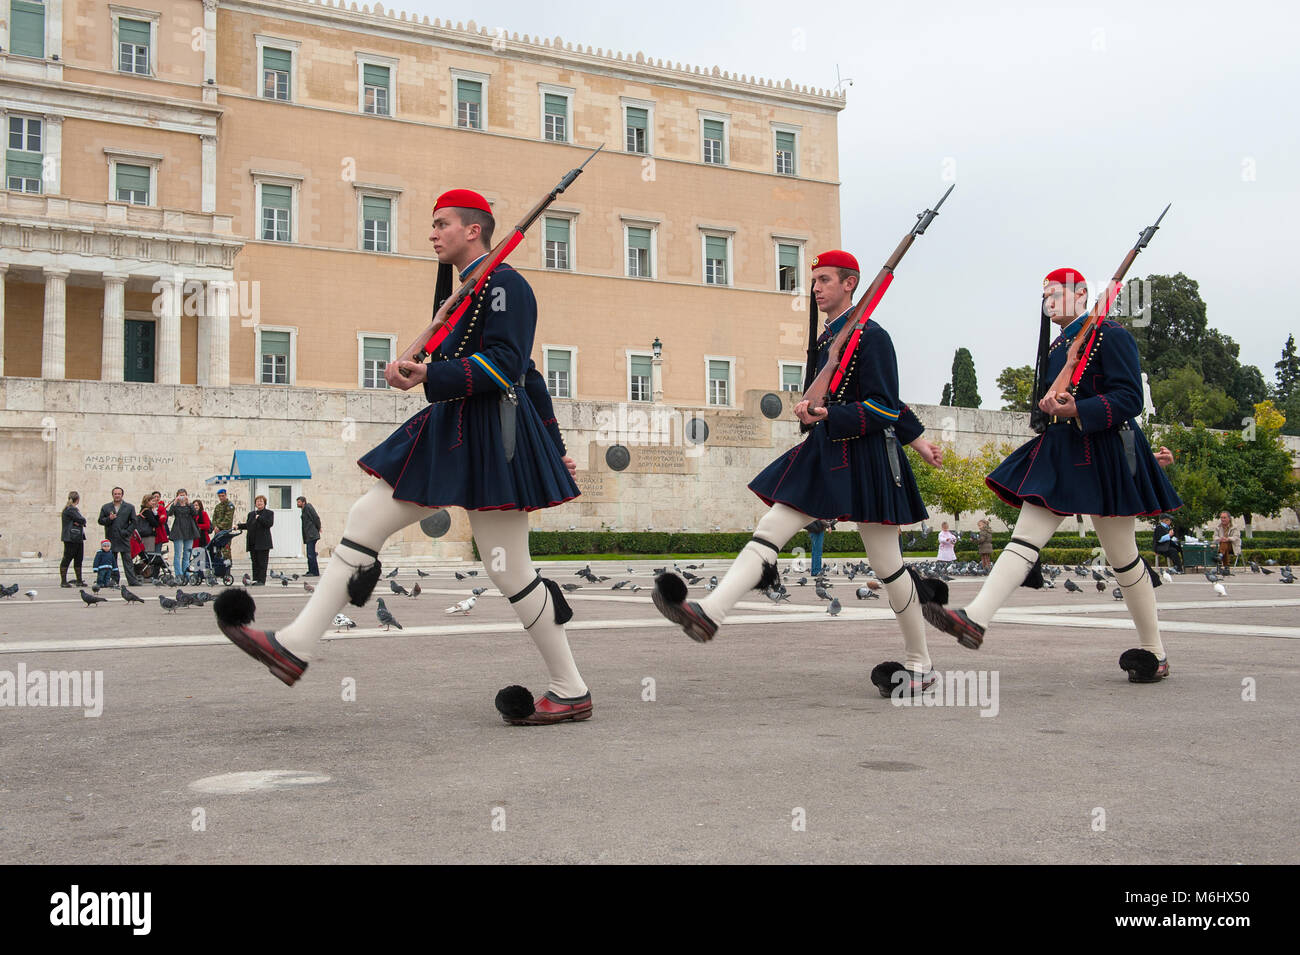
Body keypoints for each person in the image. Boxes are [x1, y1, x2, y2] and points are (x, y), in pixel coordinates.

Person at [214, 188, 590, 726]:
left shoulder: (506, 285)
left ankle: (569, 687)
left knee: (503, 568)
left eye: (442, 224)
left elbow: (511, 367)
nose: (433, 233)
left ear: (474, 230)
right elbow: (522, 374)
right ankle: (295, 643)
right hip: (464, 429)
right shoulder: (467, 292)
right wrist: (419, 371)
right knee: (404, 530)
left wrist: (432, 376)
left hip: (483, 434)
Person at [651, 249, 945, 698]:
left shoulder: (873, 336)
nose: (816, 288)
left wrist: (844, 418)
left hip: (866, 457)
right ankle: (710, 611)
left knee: (888, 566)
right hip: (826, 451)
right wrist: (808, 414)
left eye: (826, 279)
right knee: (772, 524)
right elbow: (834, 401)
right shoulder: (828, 339)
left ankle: (920, 663)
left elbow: (885, 404)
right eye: (815, 281)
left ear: (851, 283)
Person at [922, 268, 1182, 683]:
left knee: (1121, 557)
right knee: (1025, 538)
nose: (1049, 302)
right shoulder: (1061, 344)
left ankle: (1154, 650)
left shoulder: (1109, 335)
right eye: (1044, 296)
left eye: (1056, 294)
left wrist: (1077, 408)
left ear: (1082, 294)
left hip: (1108, 450)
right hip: (1064, 447)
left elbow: (1129, 397)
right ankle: (974, 618)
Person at [97, 487, 139, 585]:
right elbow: (100, 521)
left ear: (122, 495)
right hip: (111, 537)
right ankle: (114, 580)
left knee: (127, 560)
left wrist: (127, 532)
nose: (117, 495)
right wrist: (109, 519)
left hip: (124, 537)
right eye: (115, 494)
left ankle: (132, 580)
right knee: (112, 560)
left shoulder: (129, 507)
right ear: (112, 495)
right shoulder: (106, 507)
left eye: (119, 494)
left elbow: (134, 522)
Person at [238, 495, 274, 584]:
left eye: (261, 501)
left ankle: (261, 581)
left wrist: (259, 518)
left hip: (263, 543)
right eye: (257, 501)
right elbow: (248, 525)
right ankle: (255, 580)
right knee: (255, 562)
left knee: (262, 563)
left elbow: (269, 524)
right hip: (253, 542)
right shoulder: (251, 514)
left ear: (264, 503)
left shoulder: (269, 513)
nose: (259, 503)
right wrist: (238, 526)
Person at [169, 489, 199, 580]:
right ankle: (179, 573)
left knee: (187, 554)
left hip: (189, 530)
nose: (182, 497)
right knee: (177, 554)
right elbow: (169, 514)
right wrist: (175, 502)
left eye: (183, 495)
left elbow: (195, 513)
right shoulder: (175, 505)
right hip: (178, 530)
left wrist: (189, 503)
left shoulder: (189, 505)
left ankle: (186, 573)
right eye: (180, 495)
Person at [59, 491, 88, 588]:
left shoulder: (71, 509)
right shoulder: (71, 509)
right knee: (67, 559)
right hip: (71, 538)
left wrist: (79, 522)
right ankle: (63, 581)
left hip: (76, 538)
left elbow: (80, 521)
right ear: (78, 499)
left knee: (78, 558)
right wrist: (80, 522)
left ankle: (79, 580)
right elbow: (82, 520)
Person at [297, 495, 322, 577]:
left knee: (310, 554)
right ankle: (312, 570)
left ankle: (314, 572)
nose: (298, 503)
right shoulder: (304, 509)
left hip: (312, 535)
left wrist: (318, 528)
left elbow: (316, 517)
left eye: (299, 502)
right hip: (309, 535)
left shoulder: (308, 507)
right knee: (310, 554)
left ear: (303, 502)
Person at [212, 488, 235, 563]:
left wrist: (219, 527)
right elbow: (214, 518)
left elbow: (227, 519)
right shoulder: (218, 506)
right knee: (217, 550)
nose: (221, 498)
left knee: (226, 551)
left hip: (225, 532)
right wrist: (215, 527)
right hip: (217, 532)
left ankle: (227, 570)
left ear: (225, 495)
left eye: (222, 496)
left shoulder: (230, 505)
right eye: (219, 496)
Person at [191, 499, 212, 579]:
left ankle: (207, 575)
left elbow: (207, 525)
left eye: (197, 505)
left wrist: (198, 526)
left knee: (205, 558)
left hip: (203, 539)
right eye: (194, 505)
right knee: (196, 558)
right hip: (195, 540)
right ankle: (198, 575)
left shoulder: (203, 514)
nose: (195, 507)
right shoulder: (191, 515)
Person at [151, 490, 169, 555]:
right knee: (150, 553)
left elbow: (163, 520)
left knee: (157, 553)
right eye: (155, 496)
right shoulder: (148, 508)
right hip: (150, 533)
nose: (156, 498)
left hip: (159, 533)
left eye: (158, 497)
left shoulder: (162, 508)